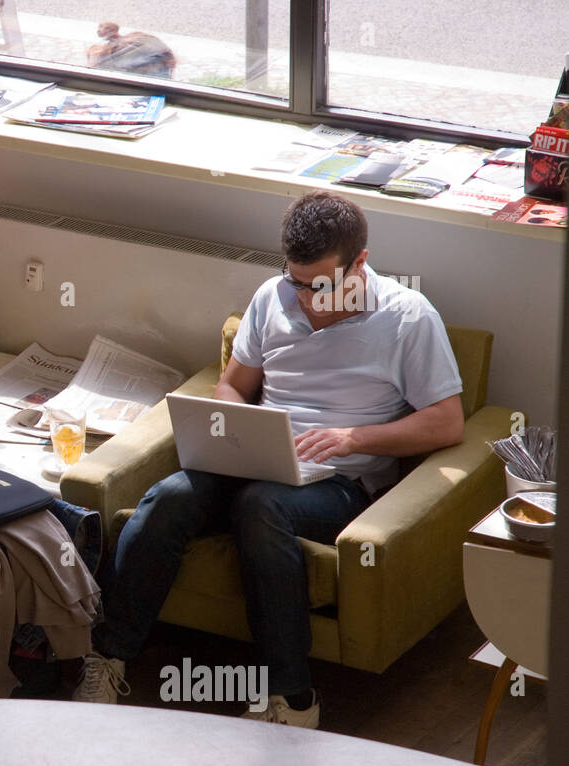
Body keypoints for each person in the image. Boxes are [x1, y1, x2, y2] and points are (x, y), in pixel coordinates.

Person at [76, 191, 465, 726]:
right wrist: (237, 427)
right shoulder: (271, 298)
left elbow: (448, 422)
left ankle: (292, 697)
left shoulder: (406, 318)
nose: (306, 299)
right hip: (258, 459)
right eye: (296, 283)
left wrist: (354, 437)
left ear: (360, 264)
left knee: (261, 507)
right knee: (167, 500)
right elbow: (233, 386)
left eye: (320, 285)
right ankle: (108, 655)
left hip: (340, 482)